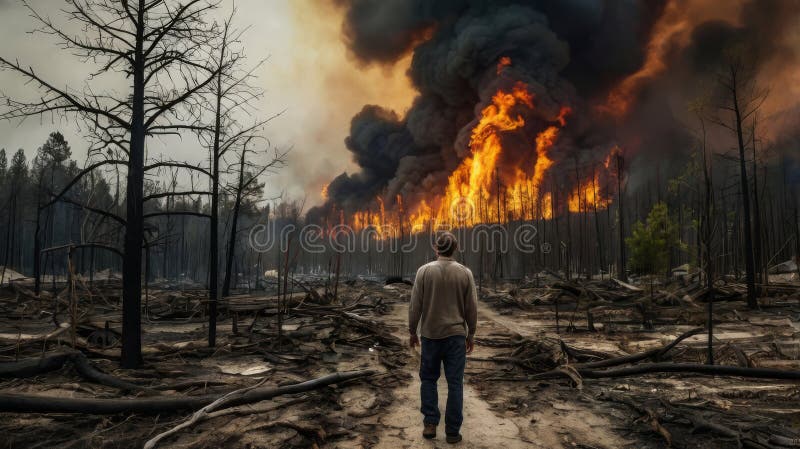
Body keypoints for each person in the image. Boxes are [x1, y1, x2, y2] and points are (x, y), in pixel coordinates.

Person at [408, 231, 478, 444]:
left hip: (430, 336)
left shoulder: (423, 272)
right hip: (456, 337)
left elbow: (415, 306)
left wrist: (412, 331)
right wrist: (471, 334)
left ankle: (430, 423)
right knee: (455, 383)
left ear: (436, 249)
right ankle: (452, 432)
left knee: (428, 379)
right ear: (455, 249)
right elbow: (471, 308)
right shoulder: (465, 273)